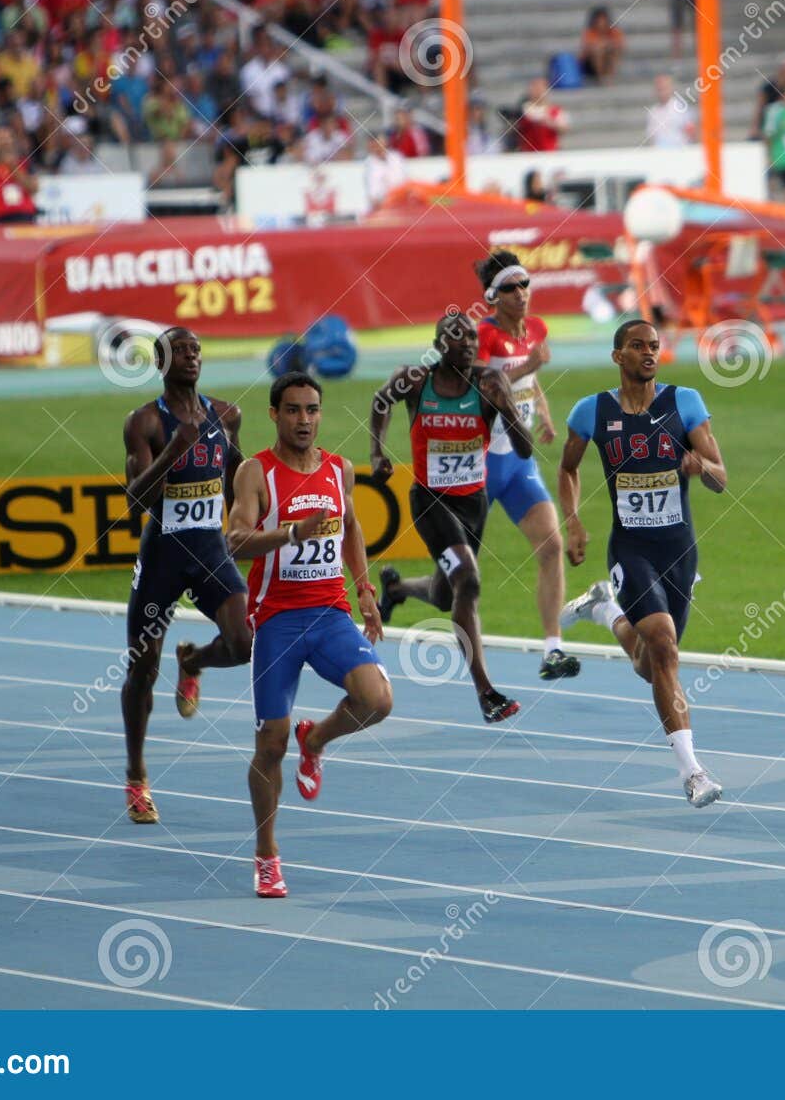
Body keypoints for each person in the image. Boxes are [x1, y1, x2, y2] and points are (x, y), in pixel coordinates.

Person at [226, 371, 390, 898]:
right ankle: (267, 854)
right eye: (293, 410)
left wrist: (363, 587)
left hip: (329, 612)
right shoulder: (256, 473)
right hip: (276, 619)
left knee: (377, 699)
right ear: (274, 414)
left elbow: (351, 527)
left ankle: (315, 739)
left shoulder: (339, 470)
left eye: (312, 410)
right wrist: (292, 532)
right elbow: (234, 540)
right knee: (269, 744)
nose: (304, 420)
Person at [557, 320, 728, 806]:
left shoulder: (686, 402)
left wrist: (702, 467)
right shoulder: (591, 411)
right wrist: (572, 522)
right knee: (664, 647)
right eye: (638, 346)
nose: (649, 353)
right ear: (618, 356)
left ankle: (602, 610)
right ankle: (693, 773)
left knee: (650, 665)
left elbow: (722, 478)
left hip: (679, 549)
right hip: (629, 548)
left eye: (655, 346)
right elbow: (568, 468)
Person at [119, 327, 253, 824]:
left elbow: (240, 477)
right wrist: (175, 451)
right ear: (161, 361)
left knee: (243, 643)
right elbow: (135, 501)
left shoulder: (227, 415)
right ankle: (136, 775)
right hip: (163, 556)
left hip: (210, 548)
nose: (193, 356)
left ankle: (194, 660)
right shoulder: (145, 423)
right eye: (182, 350)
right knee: (142, 668)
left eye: (198, 349)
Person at [371, 312, 531, 724]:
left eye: (473, 338)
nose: (468, 344)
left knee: (446, 595)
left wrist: (509, 413)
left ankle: (397, 587)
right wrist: (377, 451)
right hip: (429, 500)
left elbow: (526, 449)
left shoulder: (489, 383)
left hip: (472, 503)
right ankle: (486, 692)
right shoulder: (416, 380)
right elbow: (380, 401)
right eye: (457, 338)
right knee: (469, 582)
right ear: (440, 344)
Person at [472, 252, 581, 681]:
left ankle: (553, 649)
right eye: (510, 288)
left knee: (552, 547)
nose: (521, 293)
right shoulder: (484, 333)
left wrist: (544, 411)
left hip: (518, 463)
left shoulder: (536, 329)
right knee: (462, 570)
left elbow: (528, 383)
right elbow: (483, 384)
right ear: (493, 296)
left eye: (525, 284)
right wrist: (531, 365)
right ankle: (403, 591)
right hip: (478, 464)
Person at [515, 77, 569, 152]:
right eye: (535, 88)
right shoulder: (523, 108)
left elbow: (564, 128)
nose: (538, 91)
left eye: (540, 88)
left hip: (549, 153)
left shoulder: (555, 110)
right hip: (528, 154)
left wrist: (549, 122)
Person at [752, 54, 785, 140]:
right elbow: (760, 105)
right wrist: (755, 127)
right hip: (768, 120)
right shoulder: (769, 85)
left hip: (784, 122)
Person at [646, 74, 695, 148]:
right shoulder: (653, 111)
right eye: (659, 89)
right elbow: (652, 137)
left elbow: (691, 131)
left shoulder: (681, 107)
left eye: (664, 88)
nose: (662, 92)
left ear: (671, 88)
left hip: (680, 152)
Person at [579, 6, 625, 84]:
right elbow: (587, 49)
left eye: (603, 20)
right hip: (590, 65)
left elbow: (620, 45)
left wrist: (608, 45)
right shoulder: (590, 32)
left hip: (608, 60)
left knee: (614, 50)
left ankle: (609, 77)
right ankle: (601, 78)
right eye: (599, 20)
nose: (601, 23)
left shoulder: (613, 31)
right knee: (598, 51)